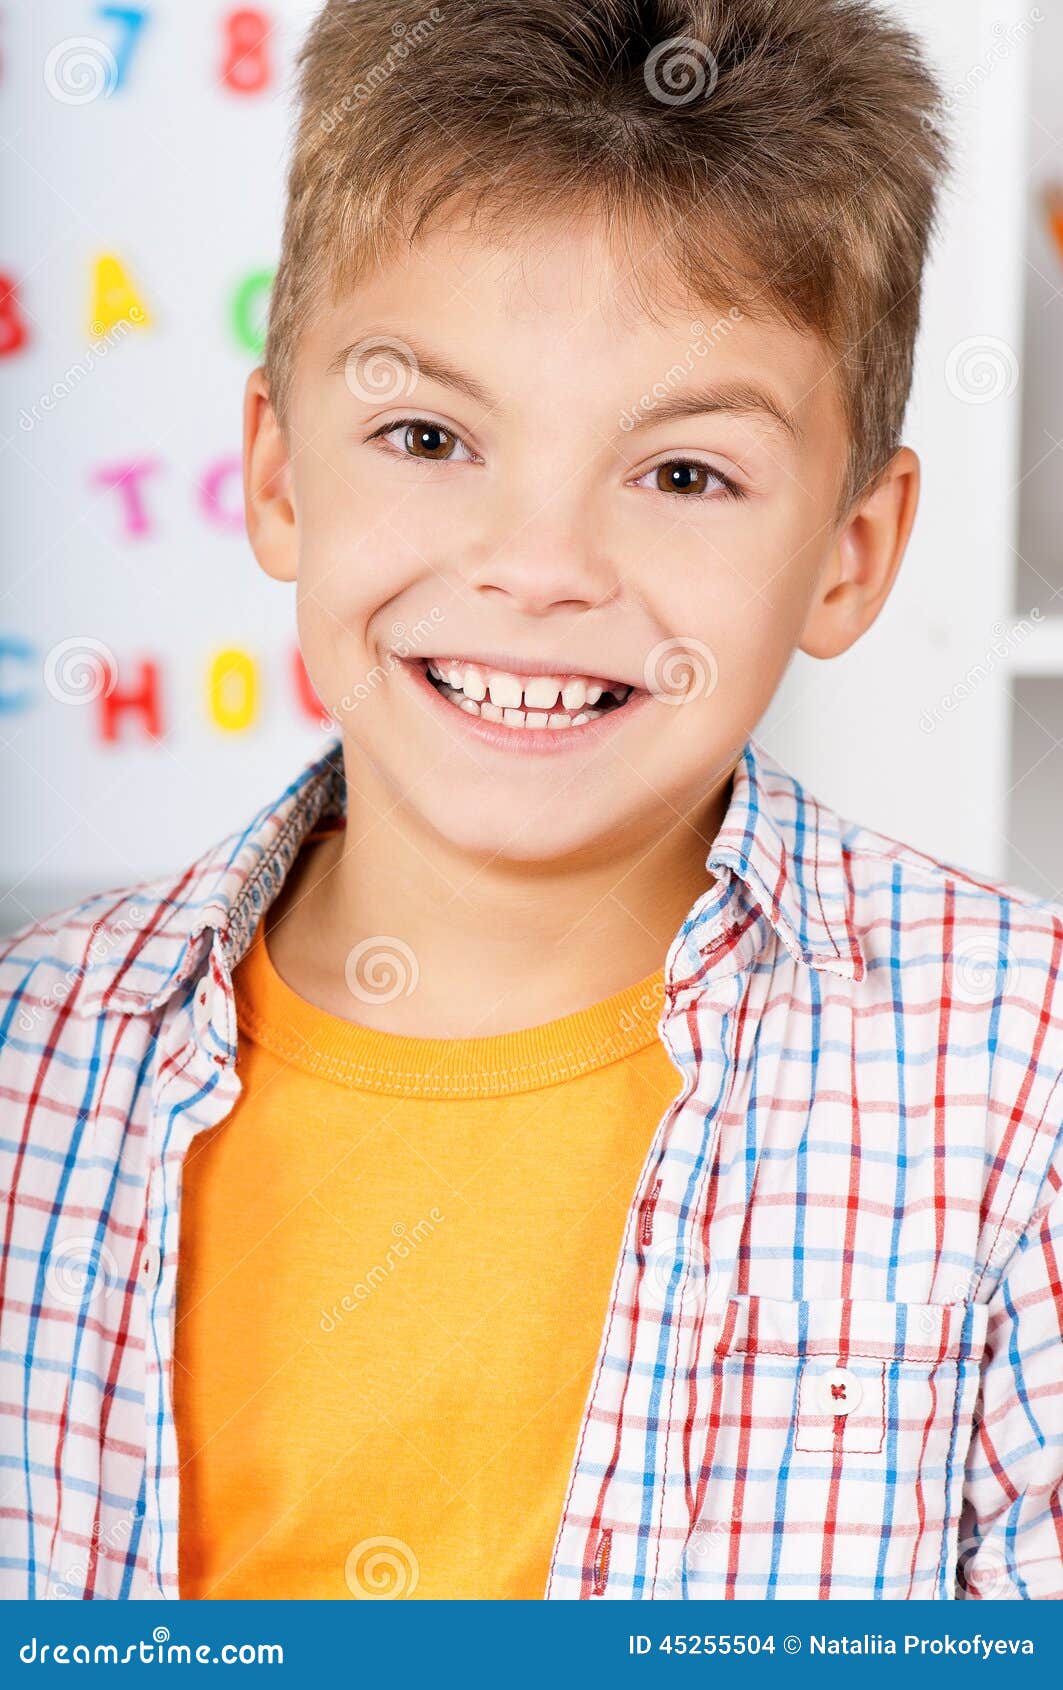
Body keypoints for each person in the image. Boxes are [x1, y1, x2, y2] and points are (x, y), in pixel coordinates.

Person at [2, 0, 1061, 1602]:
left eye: (684, 473)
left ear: (852, 549)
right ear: (279, 473)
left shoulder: (1020, 1093)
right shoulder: (31, 1072)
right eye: (428, 435)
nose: (541, 570)